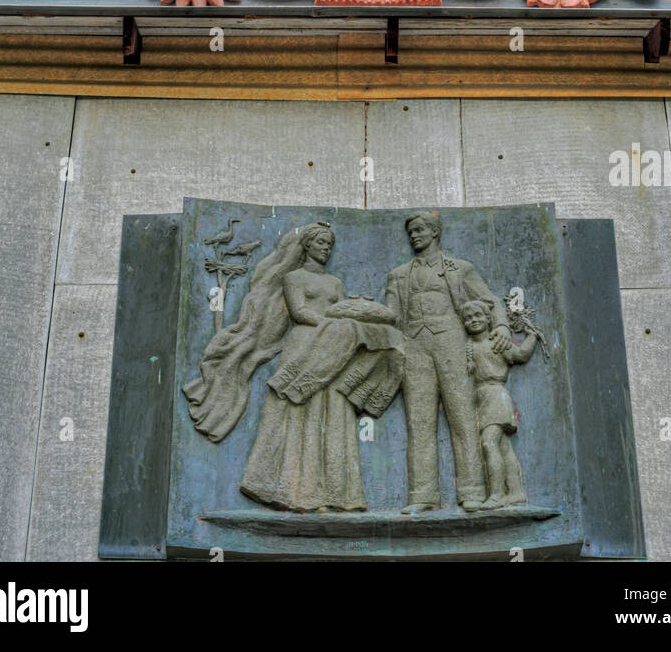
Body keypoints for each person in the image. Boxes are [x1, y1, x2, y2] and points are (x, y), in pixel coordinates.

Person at [184, 222, 404, 512]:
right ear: (308, 246)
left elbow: (342, 309)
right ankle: (293, 494)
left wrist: (349, 322)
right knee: (298, 415)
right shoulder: (294, 277)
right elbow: (300, 312)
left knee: (333, 416)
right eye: (321, 243)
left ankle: (337, 496)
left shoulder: (335, 283)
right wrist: (336, 323)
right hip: (305, 345)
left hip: (336, 347)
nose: (326, 249)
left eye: (329, 245)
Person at [385, 211, 512, 514]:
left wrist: (503, 326)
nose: (414, 236)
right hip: (415, 348)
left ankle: (472, 492)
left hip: (453, 346)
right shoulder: (398, 274)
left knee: (463, 419)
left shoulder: (460, 269)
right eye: (410, 232)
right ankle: (422, 495)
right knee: (419, 422)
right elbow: (390, 316)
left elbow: (491, 301)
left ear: (435, 232)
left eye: (419, 230)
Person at [461, 298, 537, 507]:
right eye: (467, 318)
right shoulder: (469, 346)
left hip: (496, 395)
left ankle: (496, 494)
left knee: (489, 442)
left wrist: (532, 336)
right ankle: (516, 492)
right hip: (483, 398)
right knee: (504, 448)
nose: (473, 320)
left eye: (478, 316)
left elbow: (520, 354)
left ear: (488, 318)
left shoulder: (497, 342)